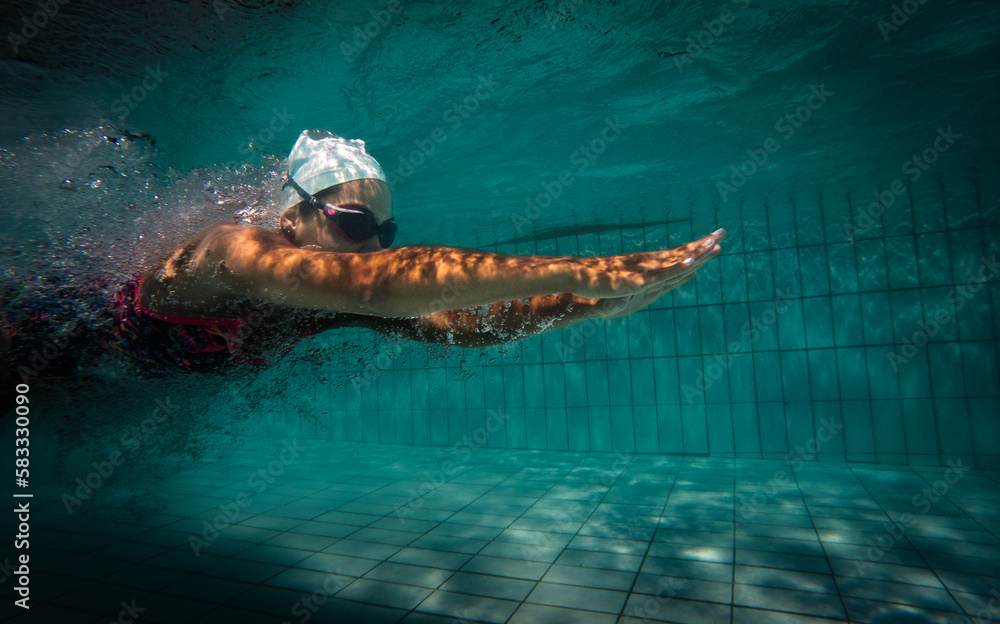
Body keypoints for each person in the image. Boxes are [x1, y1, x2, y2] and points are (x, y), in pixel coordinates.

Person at [5, 129, 726, 380]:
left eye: (385, 232)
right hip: (49, 338)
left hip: (113, 387)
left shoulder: (321, 305)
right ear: (296, 212)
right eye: (355, 223)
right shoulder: (234, 251)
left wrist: (589, 307)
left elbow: (458, 325)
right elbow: (381, 286)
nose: (377, 246)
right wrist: (587, 271)